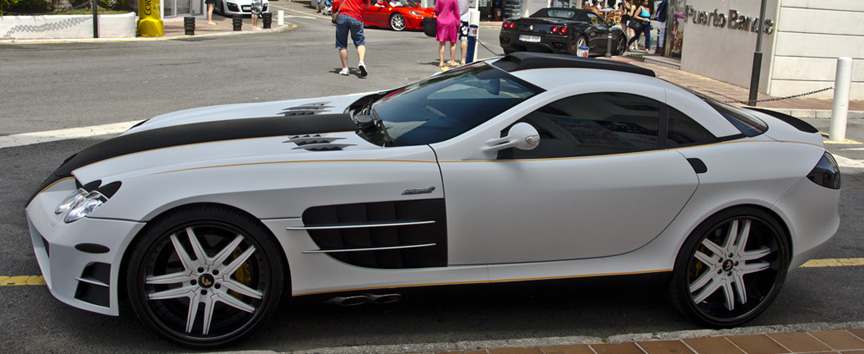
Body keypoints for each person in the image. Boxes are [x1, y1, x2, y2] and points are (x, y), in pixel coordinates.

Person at [332, 0, 371, 76]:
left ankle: (345, 68)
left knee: (342, 44)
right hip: (356, 16)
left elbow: (335, 2)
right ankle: (361, 62)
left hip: (342, 16)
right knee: (360, 42)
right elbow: (367, 5)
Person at [435, 0, 460, 68]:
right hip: (451, 21)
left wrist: (440, 15)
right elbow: (456, 11)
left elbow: (436, 10)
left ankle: (441, 62)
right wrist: (458, 23)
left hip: (441, 21)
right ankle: (452, 61)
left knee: (442, 43)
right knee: (453, 42)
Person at [456, 0, 470, 65]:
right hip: (465, 18)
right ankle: (463, 60)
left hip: (455, 18)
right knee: (464, 39)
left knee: (453, 40)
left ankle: (452, 59)